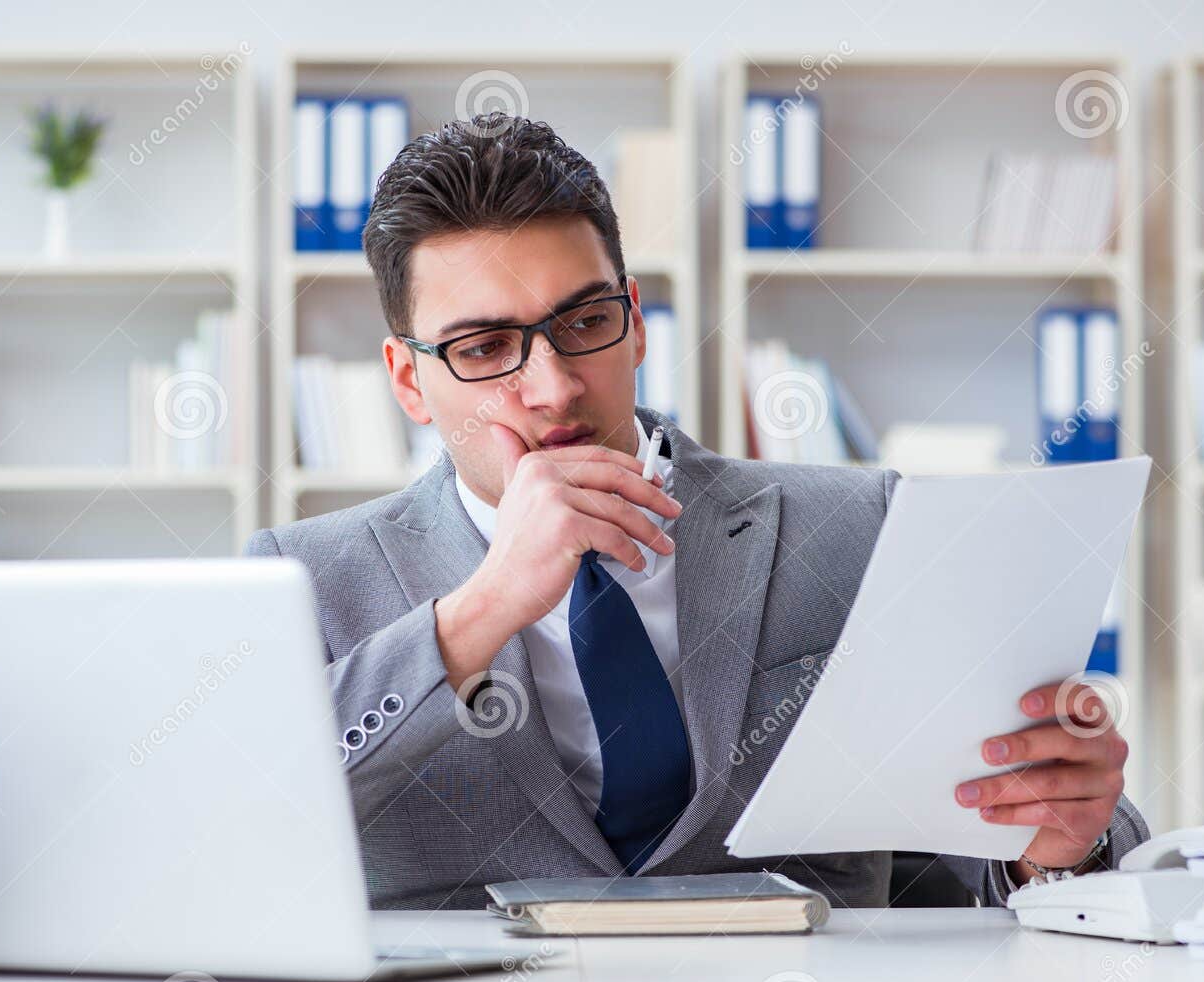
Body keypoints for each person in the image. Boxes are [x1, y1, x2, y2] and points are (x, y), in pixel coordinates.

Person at [248, 112, 1148, 910]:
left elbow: (983, 854)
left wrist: (1058, 852)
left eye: (584, 321)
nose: (555, 386)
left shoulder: (854, 527)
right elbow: (240, 815)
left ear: (636, 320)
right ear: (409, 379)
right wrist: (482, 609)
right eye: (485, 347)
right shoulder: (306, 578)